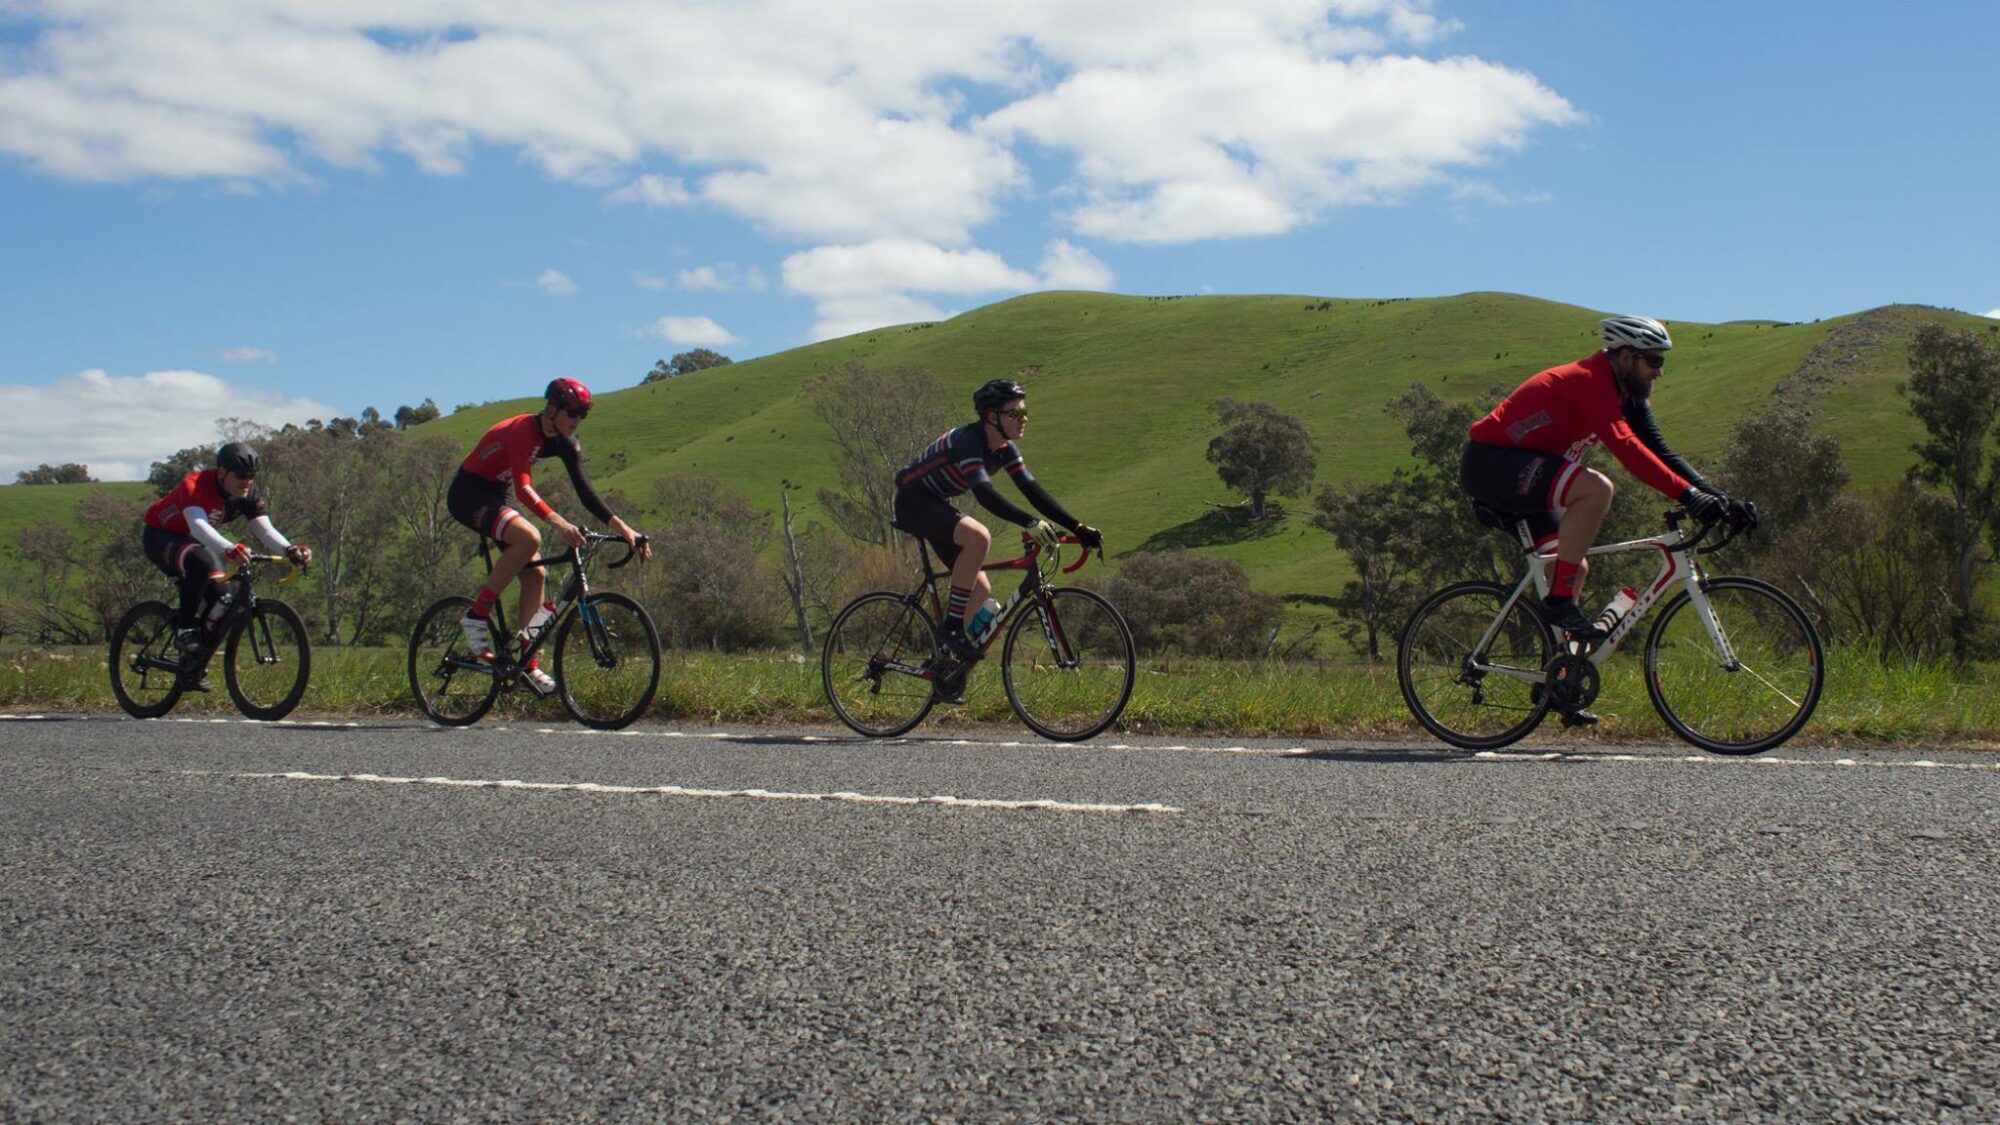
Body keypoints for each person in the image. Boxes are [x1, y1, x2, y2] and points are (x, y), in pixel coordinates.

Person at [1461, 314, 1748, 643]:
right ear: (1626, 356)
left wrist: (1720, 498)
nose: (1660, 370)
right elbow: (1627, 450)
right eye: (1654, 360)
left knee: (1571, 569)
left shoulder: (1627, 396)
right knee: (1596, 489)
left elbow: (1662, 454)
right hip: (1491, 464)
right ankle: (1558, 602)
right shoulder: (1591, 381)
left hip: (1528, 473)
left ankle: (1560, 677)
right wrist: (1689, 497)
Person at [894, 379, 1102, 693]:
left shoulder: (1004, 450)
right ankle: (951, 630)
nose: (1024, 419)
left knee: (979, 589)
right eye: (1016, 413)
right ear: (993, 417)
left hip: (935, 504)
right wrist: (1029, 522)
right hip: (912, 501)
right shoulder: (969, 440)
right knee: (979, 537)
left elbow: (1032, 491)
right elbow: (984, 493)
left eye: (1024, 412)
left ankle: (944, 670)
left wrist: (1078, 527)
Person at [447, 377, 649, 693]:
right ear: (552, 408)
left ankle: (528, 666)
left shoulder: (565, 443)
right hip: (469, 492)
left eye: (582, 415)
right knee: (530, 538)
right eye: (571, 413)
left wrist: (626, 531)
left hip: (497, 494)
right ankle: (477, 614)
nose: (576, 421)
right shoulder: (523, 431)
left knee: (537, 576)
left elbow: (585, 492)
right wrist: (561, 524)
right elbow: (524, 489)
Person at [142, 441, 312, 686]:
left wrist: (290, 550)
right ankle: (185, 630)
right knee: (203, 560)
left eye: (252, 477)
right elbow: (198, 527)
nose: (247, 482)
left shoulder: (247, 495)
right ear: (222, 472)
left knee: (222, 598)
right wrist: (230, 548)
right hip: (161, 536)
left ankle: (192, 664)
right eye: (241, 476)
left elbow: (264, 530)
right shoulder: (196, 485)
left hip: (192, 540)